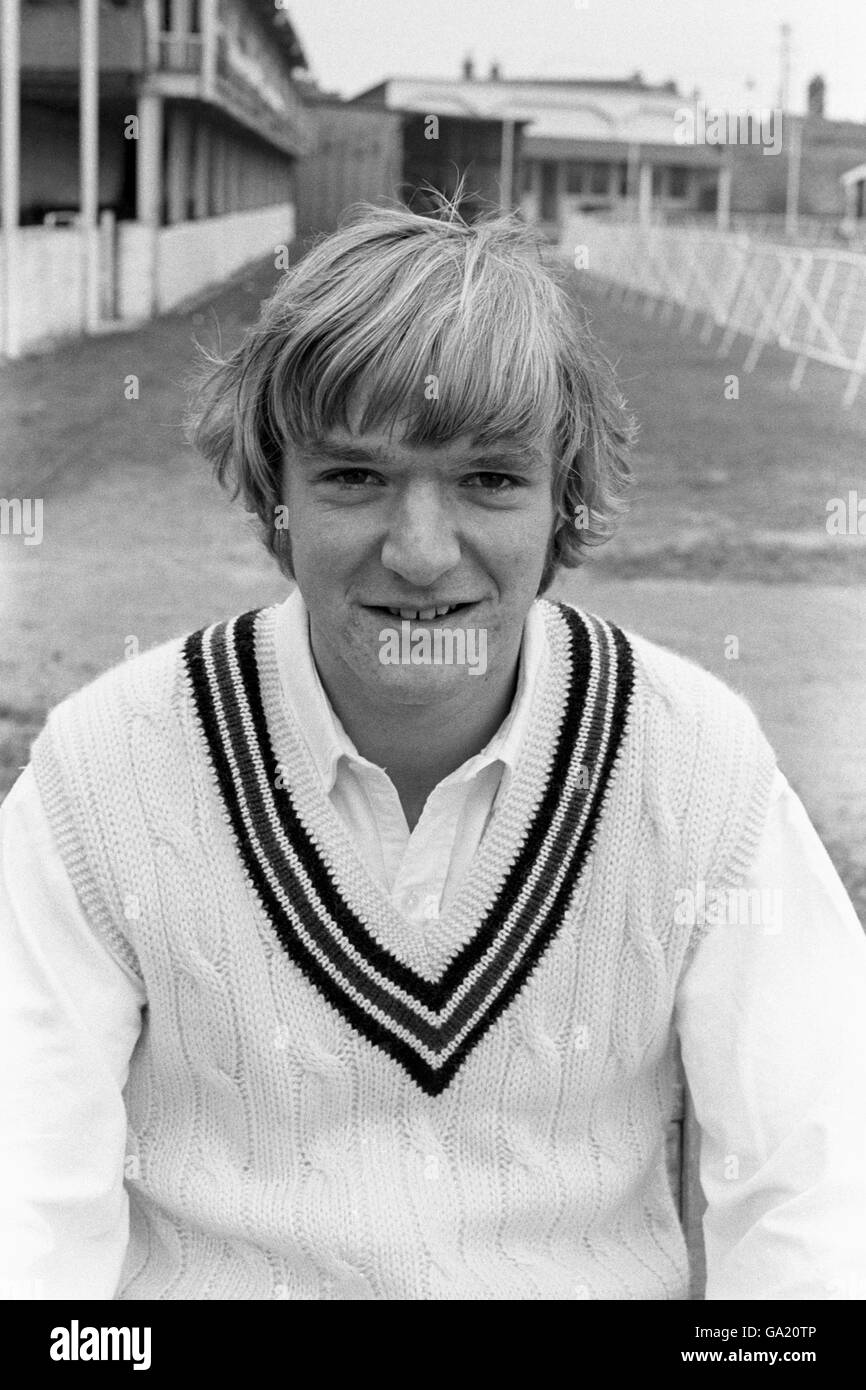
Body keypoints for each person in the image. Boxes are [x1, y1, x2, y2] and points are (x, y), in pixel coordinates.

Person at [2, 193, 865, 1302]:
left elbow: (817, 1182)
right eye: (354, 477)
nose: (419, 552)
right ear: (275, 500)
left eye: (488, 479)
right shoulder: (103, 772)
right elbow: (26, 1205)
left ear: (563, 504)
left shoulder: (691, 761)